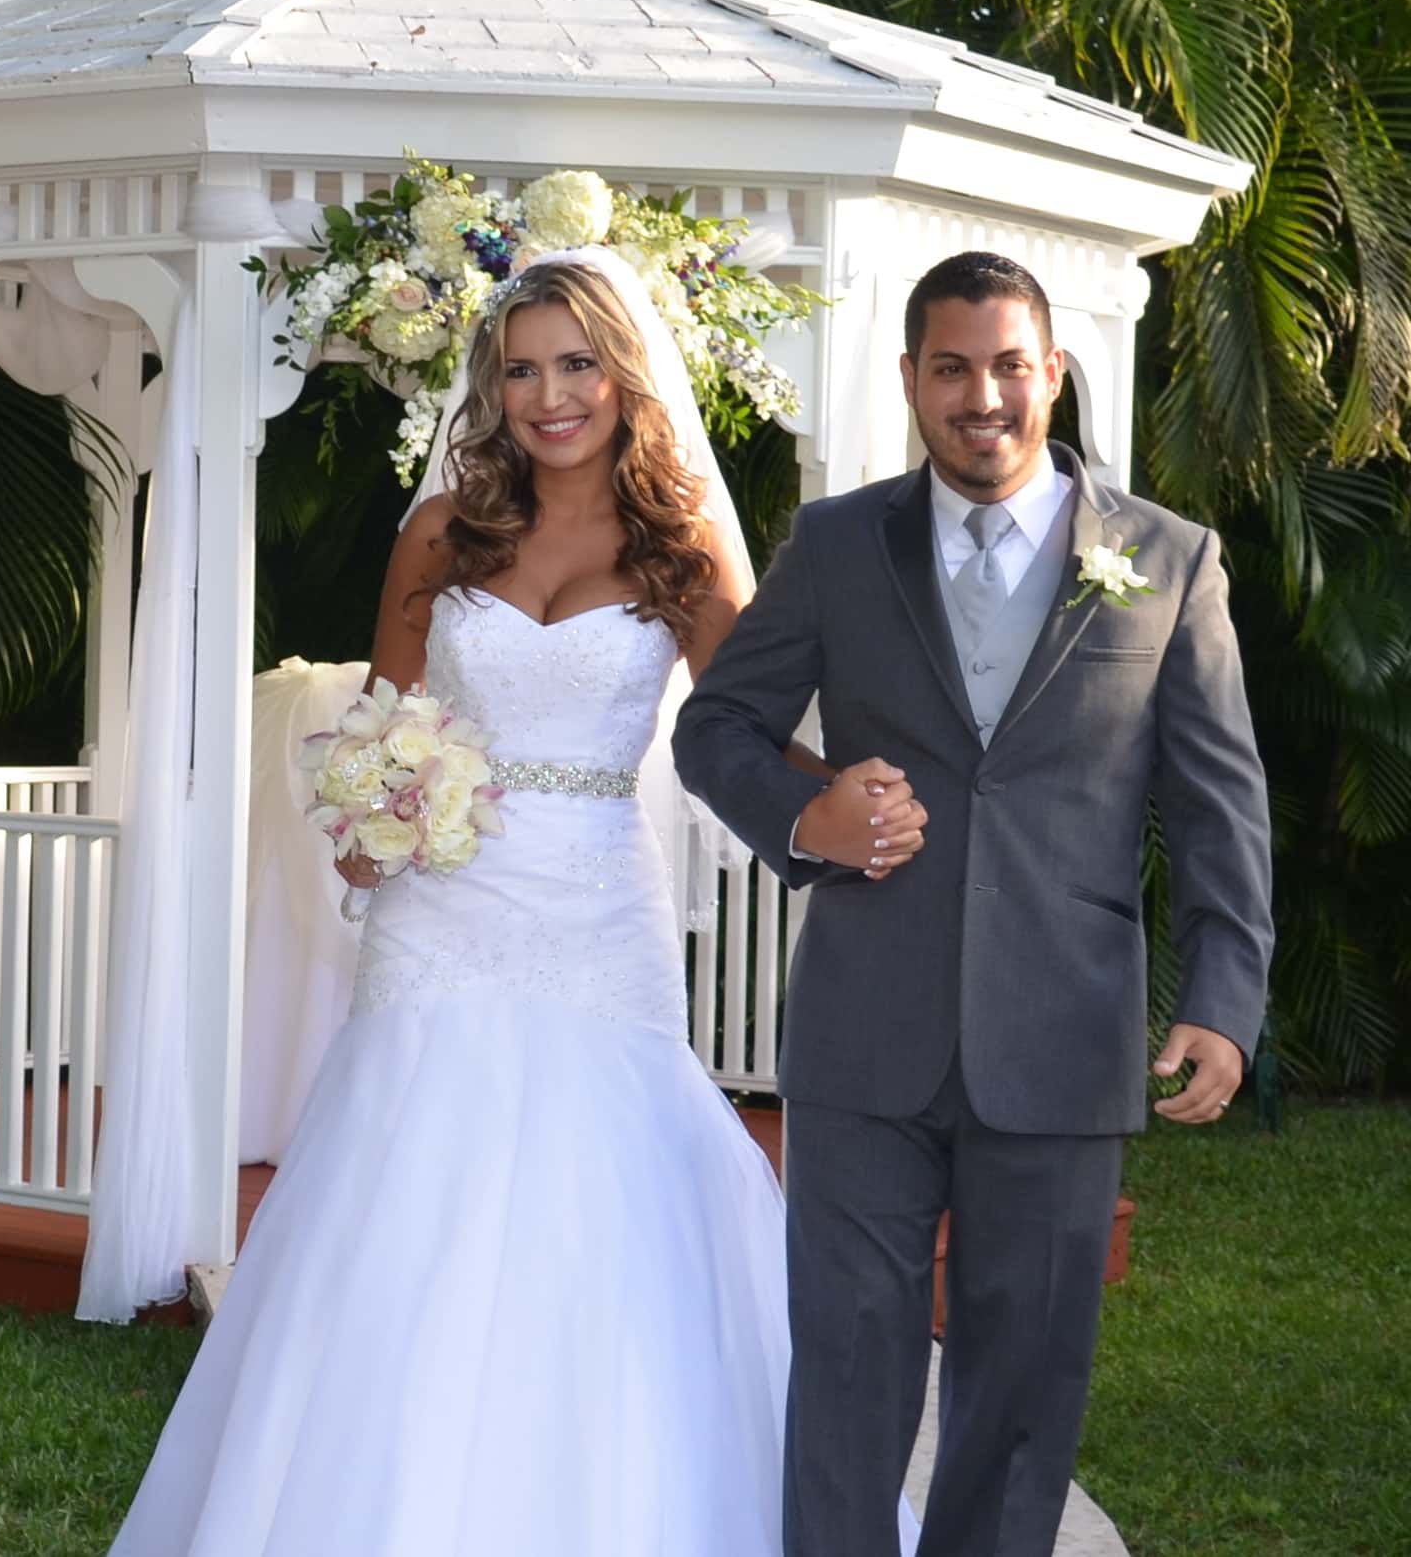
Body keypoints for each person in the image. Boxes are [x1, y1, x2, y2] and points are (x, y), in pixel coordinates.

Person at [109, 251, 828, 1555]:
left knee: (599, 1200)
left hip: (597, 915)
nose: (550, 394)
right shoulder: (442, 533)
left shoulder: (681, 547)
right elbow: (394, 720)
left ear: (622, 376)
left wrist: (867, 810)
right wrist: (372, 821)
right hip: (439, 910)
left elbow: (746, 743)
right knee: (407, 1192)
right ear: (489, 387)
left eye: (576, 363)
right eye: (521, 368)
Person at [677, 248, 1274, 1557]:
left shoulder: (1168, 560)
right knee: (847, 1366)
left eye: (1008, 365)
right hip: (863, 1029)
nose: (981, 396)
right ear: (909, 381)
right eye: (950, 368)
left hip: (1061, 1033)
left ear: (1050, 373)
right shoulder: (839, 544)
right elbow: (717, 729)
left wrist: (1224, 1002)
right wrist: (806, 814)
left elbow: (1220, 801)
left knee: (1019, 1383)